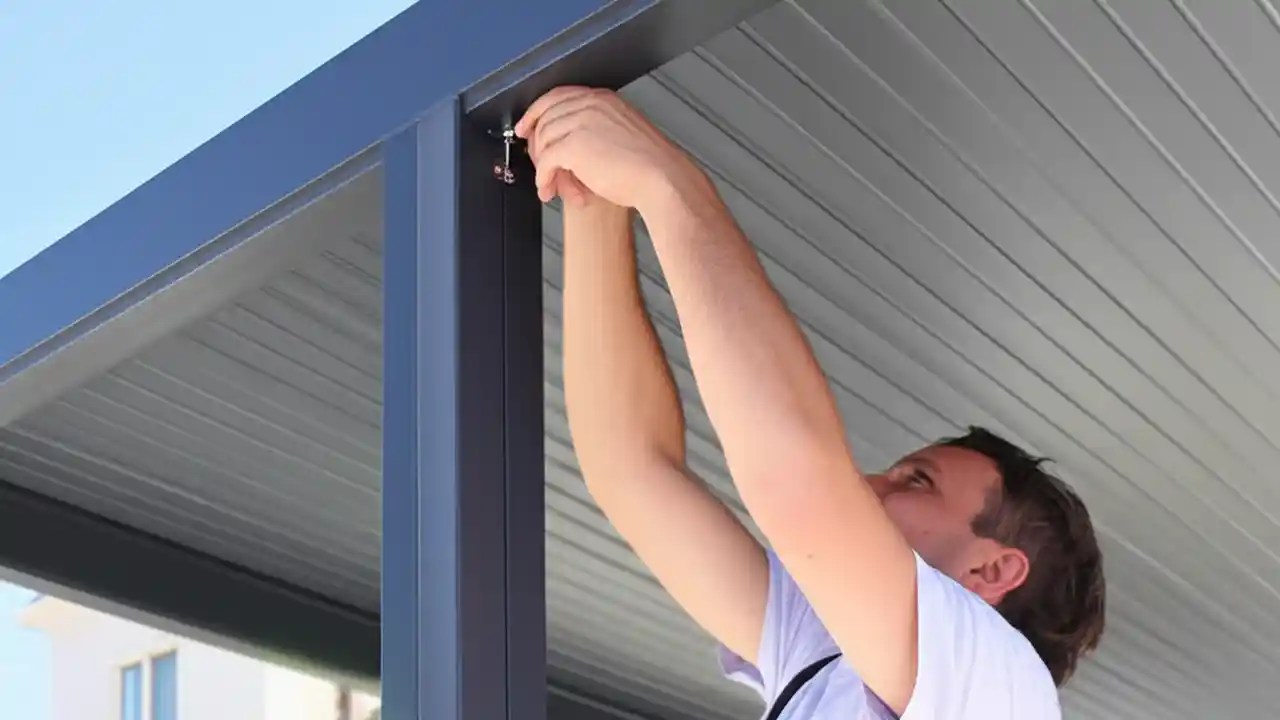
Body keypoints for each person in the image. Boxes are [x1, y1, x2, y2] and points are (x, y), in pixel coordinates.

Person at [518, 86, 1106, 719]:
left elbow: (798, 490)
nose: (867, 482)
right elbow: (633, 471)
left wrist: (666, 182)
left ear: (992, 573)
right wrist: (592, 200)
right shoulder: (821, 654)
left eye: (918, 481)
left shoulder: (1002, 689)